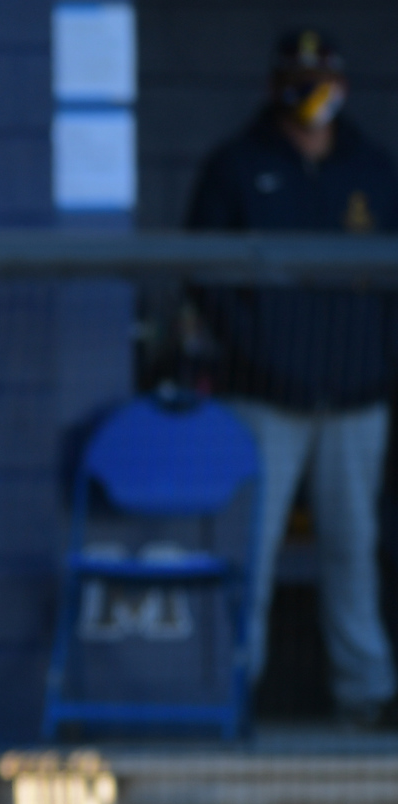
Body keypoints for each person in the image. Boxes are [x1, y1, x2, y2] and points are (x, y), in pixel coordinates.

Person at [185, 30, 398, 727]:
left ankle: (365, 696)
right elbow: (203, 274)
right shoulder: (238, 165)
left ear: (341, 83)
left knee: (353, 550)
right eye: (299, 77)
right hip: (265, 399)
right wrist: (258, 350)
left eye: (322, 77)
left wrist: (377, 357)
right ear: (277, 83)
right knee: (252, 551)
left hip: (356, 398)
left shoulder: (371, 167)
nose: (311, 92)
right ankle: (232, 692)